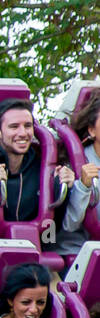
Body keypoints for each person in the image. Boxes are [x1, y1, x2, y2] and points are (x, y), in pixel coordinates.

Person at [0, 98, 87, 259]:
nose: (23, 133)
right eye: (14, 127)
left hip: (30, 256)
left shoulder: (40, 169)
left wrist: (61, 191)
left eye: (27, 126)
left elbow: (51, 233)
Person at [54, 94, 100, 259]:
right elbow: (69, 224)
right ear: (91, 130)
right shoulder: (74, 164)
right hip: (77, 253)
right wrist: (84, 186)